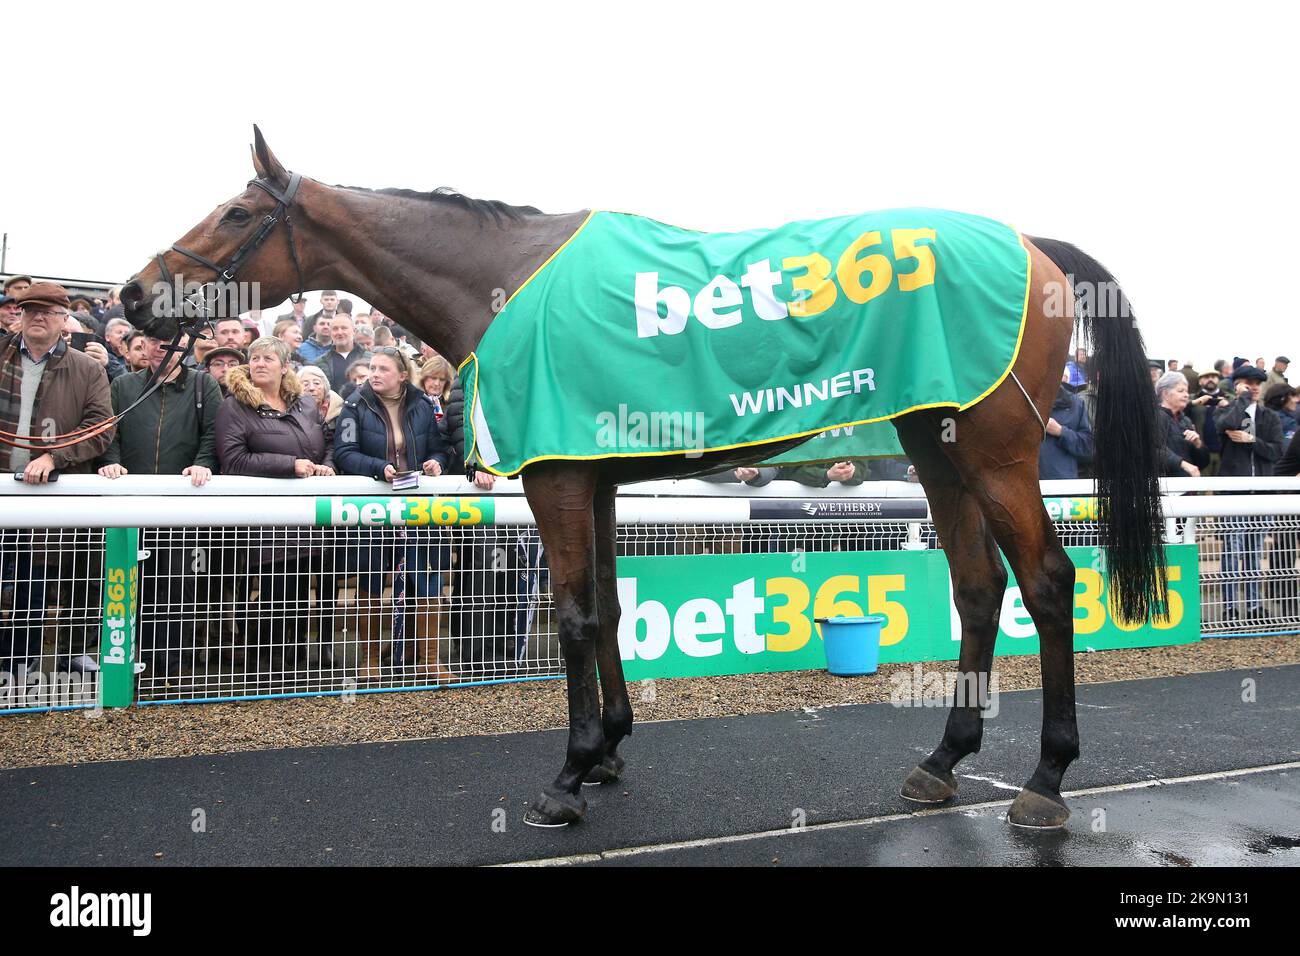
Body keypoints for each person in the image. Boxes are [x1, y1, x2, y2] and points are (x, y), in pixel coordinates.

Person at [0, 283, 114, 677]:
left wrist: (54, 456)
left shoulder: (87, 368)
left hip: (45, 495)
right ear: (19, 314)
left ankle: (20, 665)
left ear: (64, 320)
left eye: (47, 311)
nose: (37, 316)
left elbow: (101, 428)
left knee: (33, 584)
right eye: (30, 309)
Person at [97, 332, 224, 678]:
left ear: (185, 348)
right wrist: (111, 460)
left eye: (171, 345)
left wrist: (204, 463)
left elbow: (213, 433)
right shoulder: (124, 385)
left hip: (180, 505)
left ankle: (169, 669)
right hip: (131, 502)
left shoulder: (203, 386)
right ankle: (127, 665)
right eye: (155, 343)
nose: (161, 351)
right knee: (132, 584)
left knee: (178, 587)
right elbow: (109, 430)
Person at [334, 347, 454, 683]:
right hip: (373, 507)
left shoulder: (422, 404)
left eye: (383, 369)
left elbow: (441, 447)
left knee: (428, 580)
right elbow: (344, 453)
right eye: (372, 367)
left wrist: (438, 463)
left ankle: (428, 660)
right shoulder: (354, 404)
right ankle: (370, 660)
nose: (374, 373)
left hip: (419, 506)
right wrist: (379, 468)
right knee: (370, 581)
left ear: (402, 375)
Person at [217, 337, 336, 672]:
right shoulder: (235, 404)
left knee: (299, 594)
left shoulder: (305, 403)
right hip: (265, 520)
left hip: (307, 519)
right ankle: (262, 664)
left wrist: (328, 464)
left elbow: (325, 441)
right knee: (273, 594)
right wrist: (289, 465)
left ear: (285, 366)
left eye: (268, 358)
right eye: (254, 358)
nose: (259, 363)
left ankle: (295, 664)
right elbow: (233, 460)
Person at [1214, 364, 1286, 624]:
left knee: (1255, 553)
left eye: (1257, 383)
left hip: (1261, 493)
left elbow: (1278, 451)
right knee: (1231, 551)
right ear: (1237, 384)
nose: (1254, 386)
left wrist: (1251, 440)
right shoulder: (1226, 409)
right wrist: (1241, 400)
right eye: (1248, 382)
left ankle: (1254, 606)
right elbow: (1224, 425)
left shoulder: (1270, 417)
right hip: (1234, 493)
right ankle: (1230, 607)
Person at [1155, 371, 1209, 477]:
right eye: (1180, 391)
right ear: (1165, 393)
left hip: (1186, 486)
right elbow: (1153, 450)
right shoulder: (1155, 417)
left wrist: (1198, 445)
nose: (1186, 395)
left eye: (1187, 391)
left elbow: (1202, 464)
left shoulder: (1186, 421)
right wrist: (1182, 464)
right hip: (1166, 487)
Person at [1039, 378, 1095, 480]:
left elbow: (1089, 447)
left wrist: (1061, 431)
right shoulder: (1021, 403)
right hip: (1026, 485)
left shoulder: (1076, 404)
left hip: (1063, 487)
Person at [314, 312, 370, 393]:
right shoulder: (320, 363)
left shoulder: (370, 358)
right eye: (335, 329)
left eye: (344, 328)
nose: (339, 332)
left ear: (354, 331)